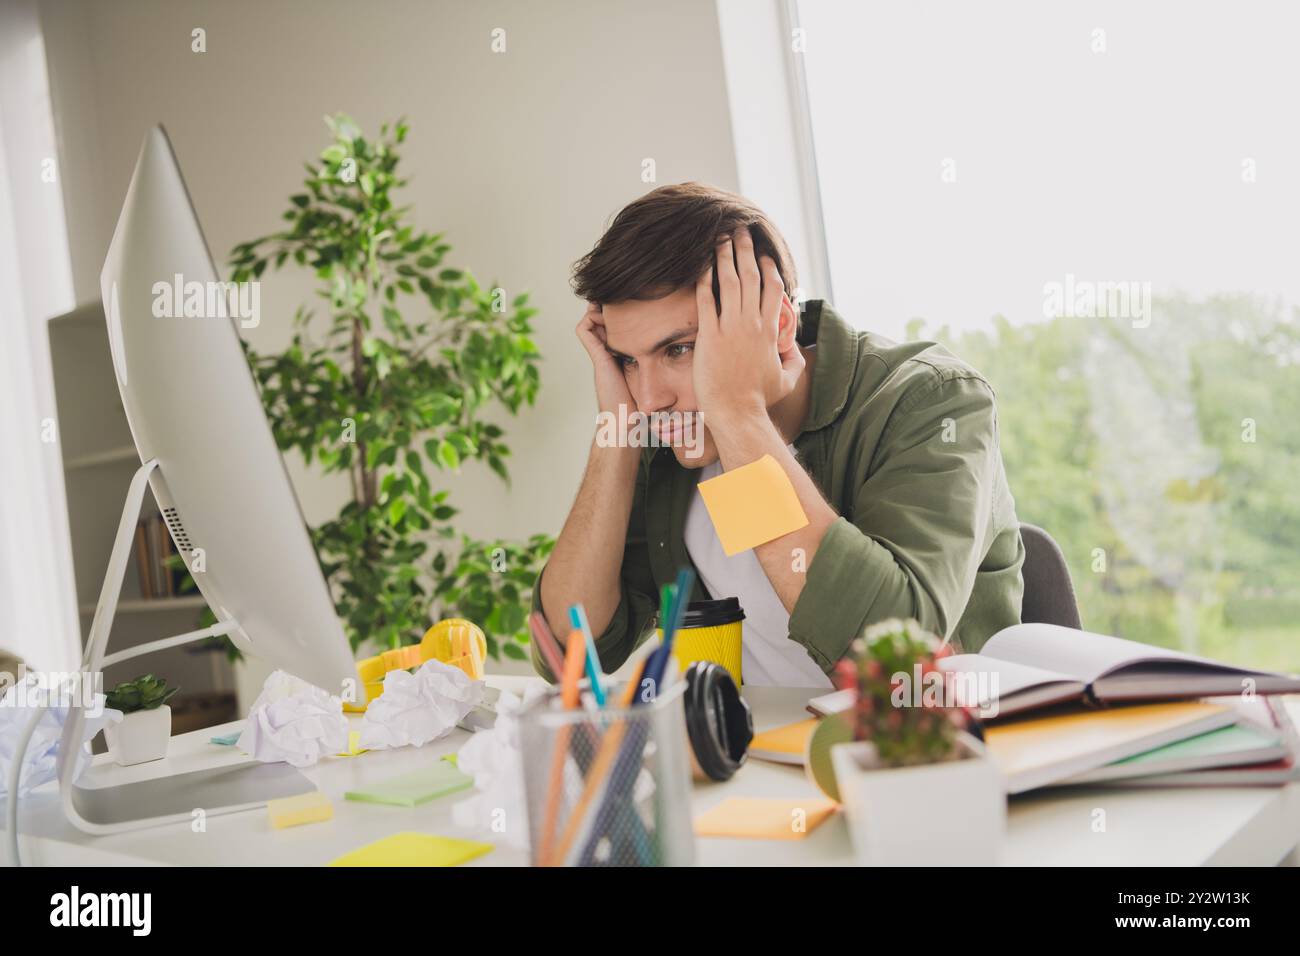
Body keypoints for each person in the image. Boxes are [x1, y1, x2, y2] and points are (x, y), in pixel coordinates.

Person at [532, 183, 1023, 687]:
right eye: (628, 361)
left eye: (678, 349)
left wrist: (739, 415)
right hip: (755, 762)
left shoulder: (930, 401)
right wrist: (617, 431)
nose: (651, 396)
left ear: (779, 325)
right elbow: (570, 651)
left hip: (931, 754)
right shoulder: (662, 427)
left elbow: (893, 666)